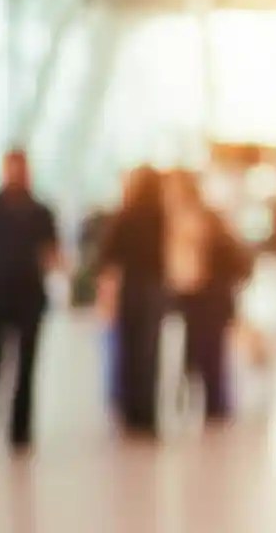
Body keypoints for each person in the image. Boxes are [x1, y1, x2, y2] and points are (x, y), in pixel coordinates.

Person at [0, 149, 62, 450]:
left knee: (27, 365)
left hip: (30, 296)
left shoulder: (41, 210)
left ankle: (20, 431)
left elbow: (52, 255)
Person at [163, 170, 251, 422]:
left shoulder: (198, 219)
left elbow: (197, 262)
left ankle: (214, 406)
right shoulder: (204, 217)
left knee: (207, 352)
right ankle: (210, 404)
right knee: (201, 351)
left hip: (208, 295)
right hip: (202, 296)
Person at [95, 166, 166, 434]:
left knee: (129, 349)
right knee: (149, 353)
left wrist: (107, 298)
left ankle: (130, 409)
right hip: (154, 289)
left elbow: (109, 262)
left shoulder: (125, 217)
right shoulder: (162, 218)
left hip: (131, 288)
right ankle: (147, 413)